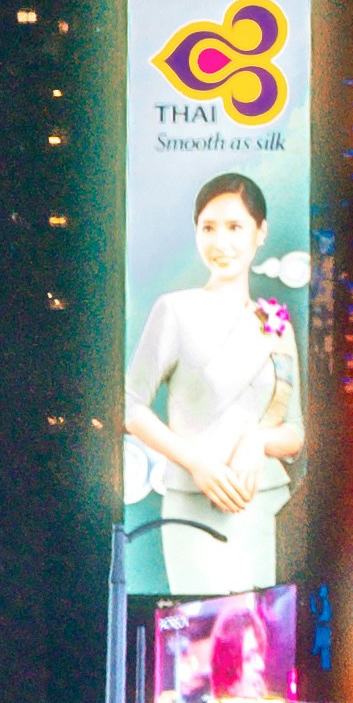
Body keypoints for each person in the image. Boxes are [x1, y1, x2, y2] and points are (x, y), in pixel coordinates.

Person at [120, 171, 304, 596]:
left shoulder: (274, 321)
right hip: (192, 506)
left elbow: (296, 433)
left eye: (235, 227)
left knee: (266, 629)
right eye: (208, 228)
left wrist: (258, 441)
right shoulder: (174, 310)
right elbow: (130, 406)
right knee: (206, 627)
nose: (221, 242)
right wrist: (197, 464)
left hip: (267, 506)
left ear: (261, 232)